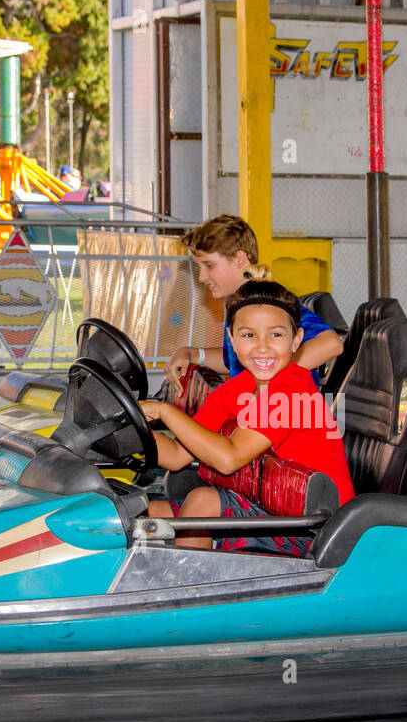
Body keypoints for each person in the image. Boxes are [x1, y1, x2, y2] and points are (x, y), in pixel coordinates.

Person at [141, 279, 355, 554]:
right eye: (248, 335)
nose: (262, 347)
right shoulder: (234, 390)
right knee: (150, 513)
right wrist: (129, 430)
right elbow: (176, 454)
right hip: (268, 506)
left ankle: (193, 590)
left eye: (276, 335)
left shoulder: (292, 388)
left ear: (297, 340)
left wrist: (163, 411)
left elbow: (229, 458)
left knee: (203, 502)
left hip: (317, 527)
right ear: (232, 340)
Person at [166, 214, 343, 386]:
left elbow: (331, 344)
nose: (202, 277)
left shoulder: (270, 304)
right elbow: (232, 361)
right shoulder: (237, 306)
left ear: (240, 259)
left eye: (209, 265)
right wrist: (193, 354)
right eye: (199, 267)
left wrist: (266, 377)